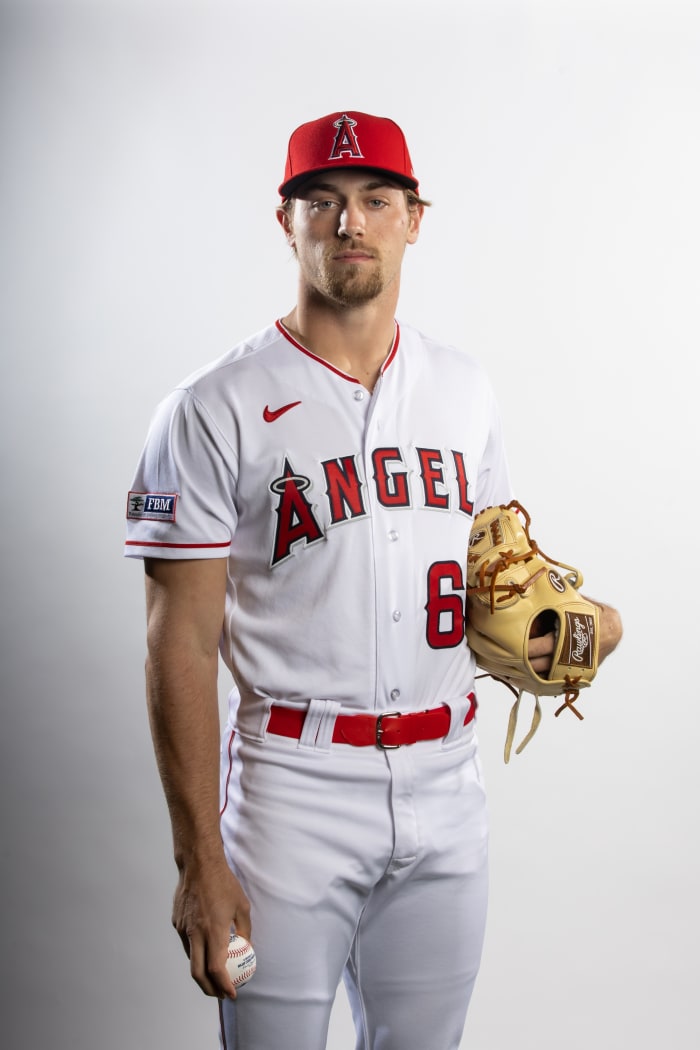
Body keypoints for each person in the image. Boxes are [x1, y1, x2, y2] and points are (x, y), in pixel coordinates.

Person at [125, 111, 622, 1050]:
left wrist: (554, 627)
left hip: (447, 782)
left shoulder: (465, 387)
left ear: (413, 219)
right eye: (322, 201)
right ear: (287, 223)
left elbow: (495, 579)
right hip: (291, 797)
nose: (350, 222)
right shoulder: (210, 406)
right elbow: (178, 642)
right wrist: (199, 860)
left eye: (375, 199)